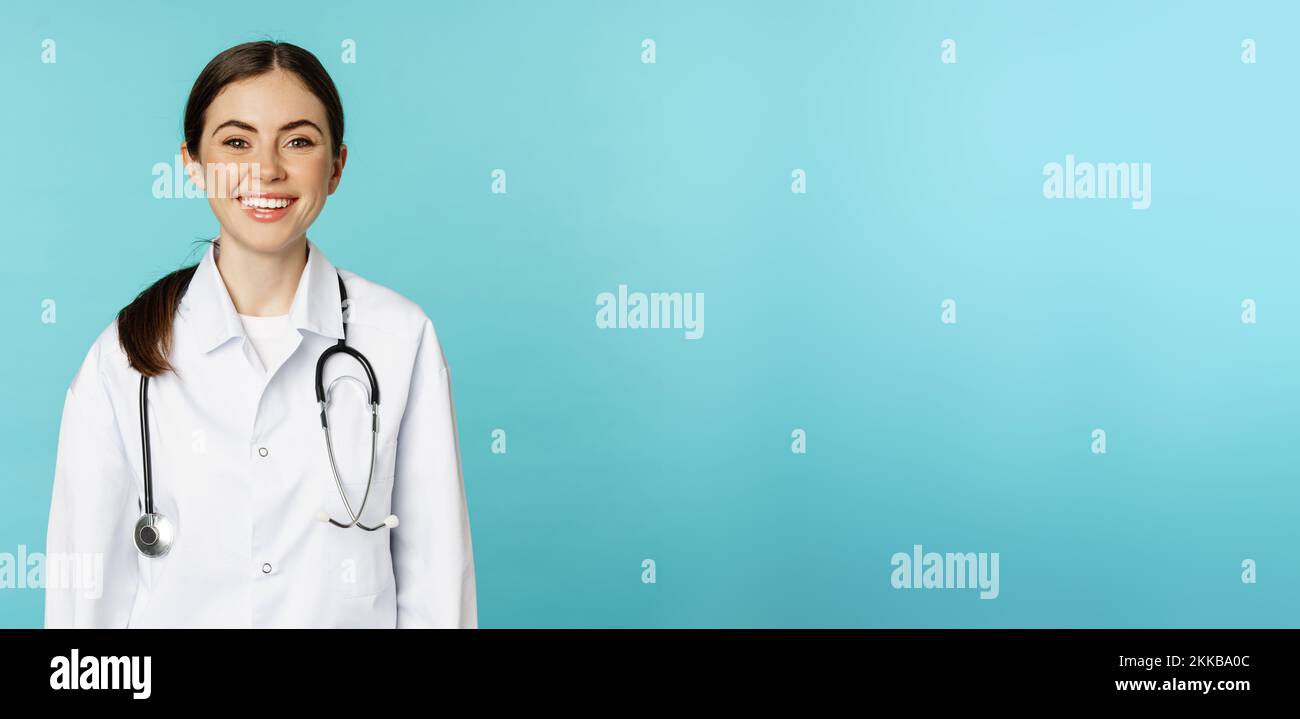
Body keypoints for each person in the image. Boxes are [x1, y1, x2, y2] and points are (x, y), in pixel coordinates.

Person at [43, 41, 477, 628]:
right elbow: (83, 599)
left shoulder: (401, 339)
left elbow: (437, 581)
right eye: (236, 142)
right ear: (192, 163)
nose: (267, 169)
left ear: (337, 166)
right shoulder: (122, 357)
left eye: (298, 141)